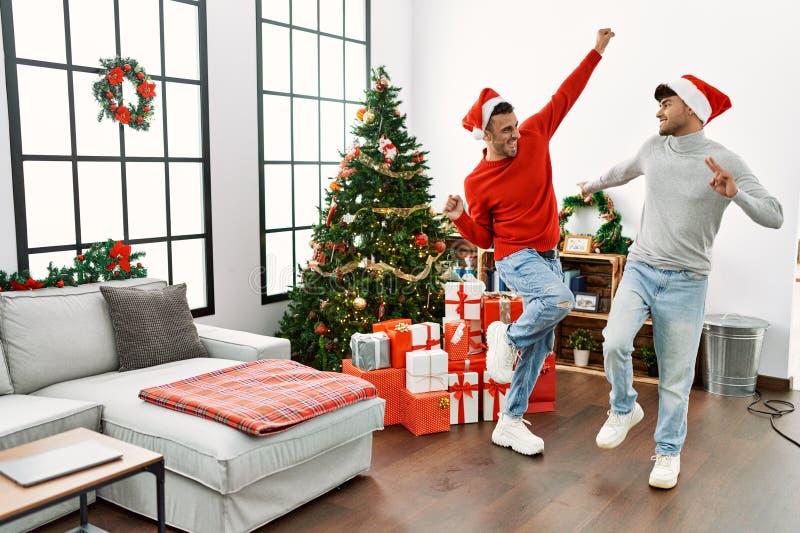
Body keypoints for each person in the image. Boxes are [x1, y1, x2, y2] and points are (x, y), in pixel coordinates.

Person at [578, 75, 783, 489]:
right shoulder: (654, 147)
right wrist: (592, 184)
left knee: (676, 377)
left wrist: (734, 193)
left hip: (687, 281)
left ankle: (668, 453)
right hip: (641, 267)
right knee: (615, 341)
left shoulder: (725, 160)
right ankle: (623, 407)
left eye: (666, 103)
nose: (658, 111)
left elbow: (774, 214)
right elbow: (623, 170)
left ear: (690, 107)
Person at [442, 29, 615, 456]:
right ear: (486, 135)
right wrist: (460, 217)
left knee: (541, 345)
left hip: (549, 254)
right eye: (504, 131)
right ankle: (505, 336)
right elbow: (485, 237)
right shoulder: (477, 181)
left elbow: (566, 94)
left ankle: (510, 421)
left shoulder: (535, 134)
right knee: (558, 301)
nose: (515, 136)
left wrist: (595, 51)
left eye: (515, 126)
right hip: (514, 257)